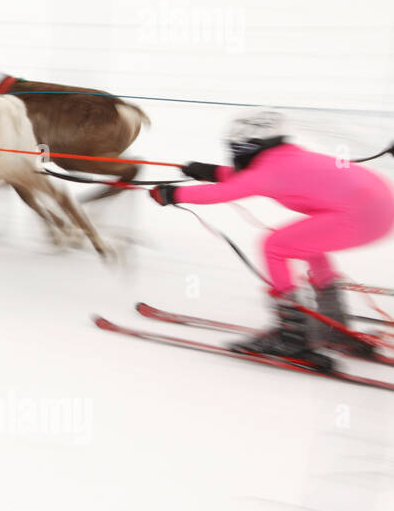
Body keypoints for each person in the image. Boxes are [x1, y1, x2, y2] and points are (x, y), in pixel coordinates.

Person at [150, 109, 394, 368]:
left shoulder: (266, 171)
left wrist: (172, 195)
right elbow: (251, 178)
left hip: (358, 217)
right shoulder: (286, 157)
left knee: (274, 246)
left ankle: (291, 337)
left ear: (245, 148)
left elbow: (229, 191)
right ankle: (333, 327)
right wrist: (208, 171)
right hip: (380, 210)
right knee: (304, 245)